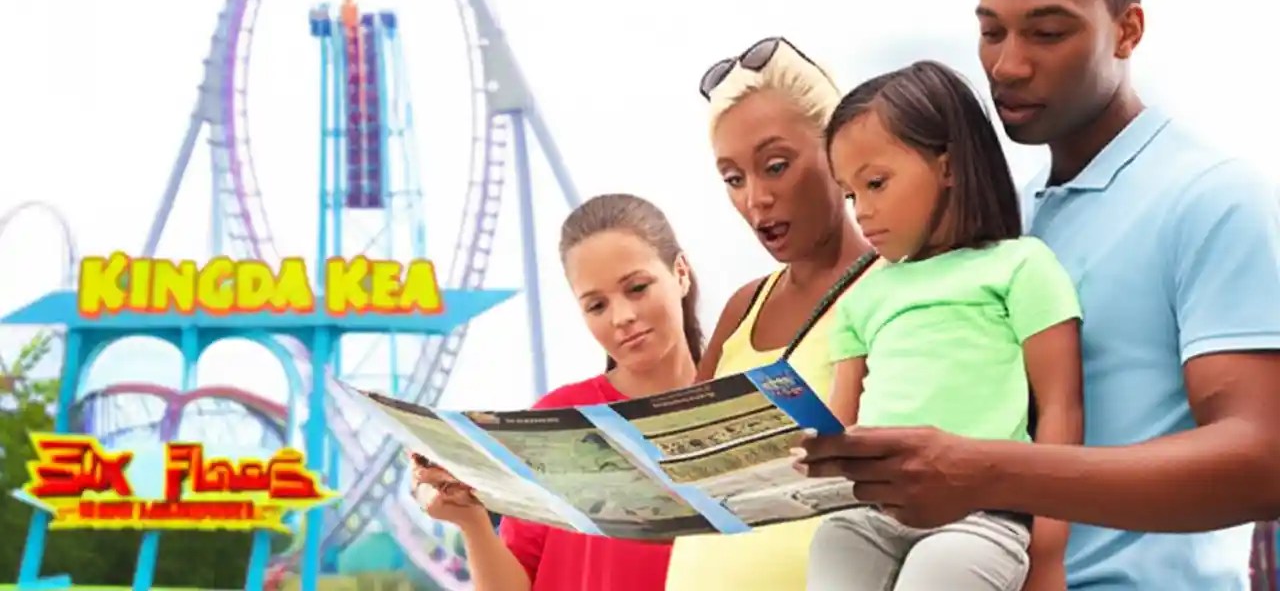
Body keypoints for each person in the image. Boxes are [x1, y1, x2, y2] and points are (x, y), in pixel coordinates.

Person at [796, 0, 1280, 590]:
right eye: (990, 34)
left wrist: (988, 472)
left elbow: (1265, 460)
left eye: (1047, 33)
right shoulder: (998, 224)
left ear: (1128, 30)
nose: (1009, 65)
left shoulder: (1213, 197)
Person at [805, 60, 1084, 591]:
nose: (861, 211)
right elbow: (836, 432)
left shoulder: (1021, 265)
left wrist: (1048, 554)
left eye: (876, 183)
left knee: (941, 570)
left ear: (948, 166)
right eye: (849, 195)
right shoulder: (864, 297)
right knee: (833, 542)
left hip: (982, 517)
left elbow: (1061, 409)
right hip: (874, 515)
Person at [662, 37, 879, 591]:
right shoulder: (741, 308)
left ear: (838, 152)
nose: (755, 199)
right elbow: (683, 474)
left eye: (775, 166)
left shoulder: (896, 290)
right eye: (733, 178)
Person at [409, 193, 704, 591]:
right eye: (596, 306)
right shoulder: (559, 421)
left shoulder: (748, 406)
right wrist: (471, 521)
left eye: (637, 288)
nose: (623, 317)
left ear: (680, 273)